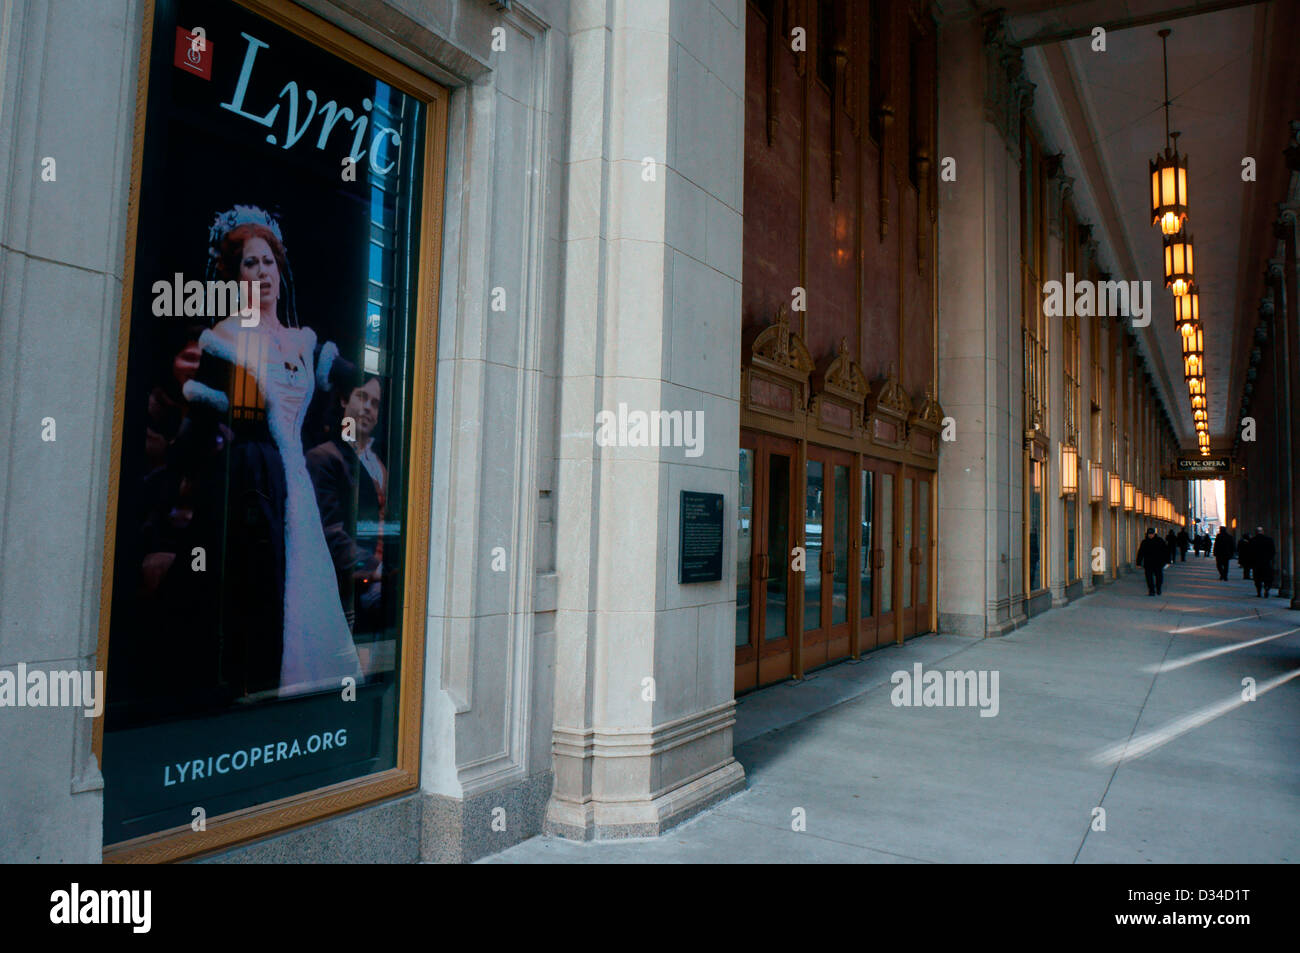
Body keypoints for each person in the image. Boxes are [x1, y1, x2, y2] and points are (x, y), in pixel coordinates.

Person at [176, 205, 364, 699]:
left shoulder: (305, 342)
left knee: (305, 597)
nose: (261, 273)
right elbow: (195, 434)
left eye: (268, 263)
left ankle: (303, 702)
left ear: (281, 272)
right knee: (258, 599)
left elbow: (363, 381)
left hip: (295, 483)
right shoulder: (225, 338)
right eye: (249, 264)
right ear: (235, 275)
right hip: (251, 485)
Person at [306, 376, 389, 637]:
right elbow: (329, 531)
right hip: (349, 585)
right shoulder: (323, 457)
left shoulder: (379, 464)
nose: (368, 408)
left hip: (383, 577)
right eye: (362, 397)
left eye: (375, 404)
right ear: (344, 400)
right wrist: (374, 568)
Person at [1136, 528, 1169, 596]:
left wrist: (1167, 561)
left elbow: (1165, 551)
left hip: (1158, 562)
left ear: (1154, 534)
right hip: (1148, 563)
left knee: (1159, 577)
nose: (1150, 535)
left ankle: (1158, 588)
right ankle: (1151, 590)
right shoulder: (1144, 542)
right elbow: (1141, 552)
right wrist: (1138, 562)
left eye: (1151, 534)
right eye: (1149, 534)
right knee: (1149, 577)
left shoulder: (1160, 541)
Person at [1252, 526, 1276, 598]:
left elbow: (1250, 552)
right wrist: (1270, 559)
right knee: (1267, 577)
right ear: (1263, 532)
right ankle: (1267, 588)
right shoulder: (1269, 540)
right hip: (1266, 562)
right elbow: (1273, 551)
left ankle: (1259, 591)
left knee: (1257, 578)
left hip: (1256, 562)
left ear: (1256, 532)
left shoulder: (1253, 540)